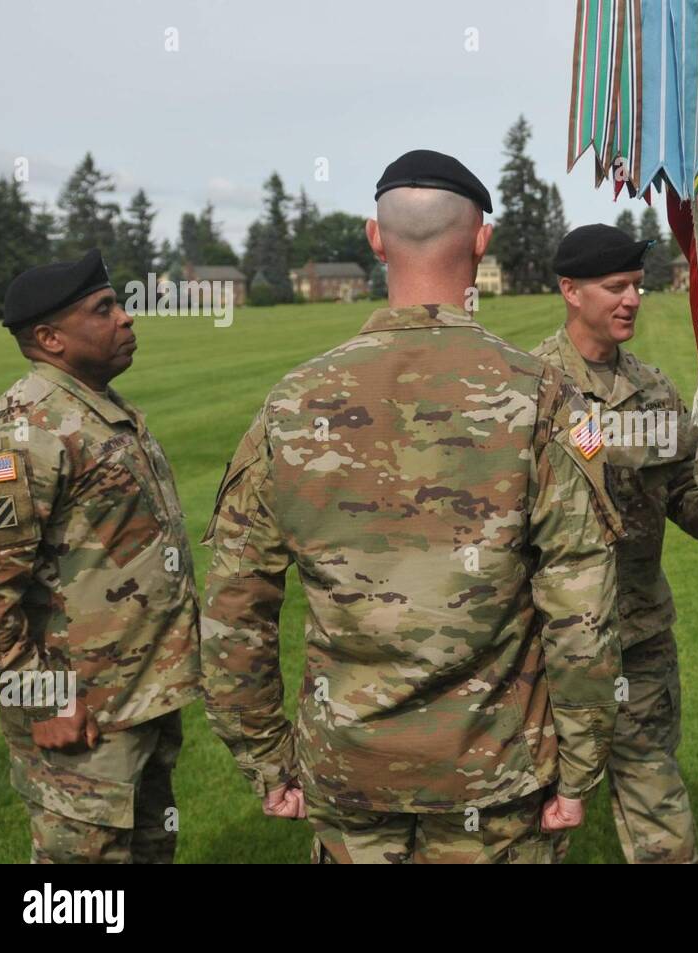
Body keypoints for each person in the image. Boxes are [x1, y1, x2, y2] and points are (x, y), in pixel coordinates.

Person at [200, 150, 623, 864]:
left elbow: (234, 604)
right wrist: (579, 769)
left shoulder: (293, 402)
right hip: (493, 777)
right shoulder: (545, 396)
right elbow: (581, 604)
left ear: (374, 238)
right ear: (481, 240)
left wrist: (266, 758)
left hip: (350, 771)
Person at [0, 250, 200, 863]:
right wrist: (37, 698)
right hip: (78, 715)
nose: (126, 319)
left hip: (133, 698)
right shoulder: (26, 430)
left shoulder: (97, 408)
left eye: (120, 305)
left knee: (147, 853)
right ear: (49, 338)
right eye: (103, 310)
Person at [532, 224, 698, 863]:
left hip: (638, 633)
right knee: (534, 805)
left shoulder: (654, 388)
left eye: (637, 287)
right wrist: (676, 436)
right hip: (549, 641)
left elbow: (686, 495)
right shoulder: (532, 387)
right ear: (570, 290)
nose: (631, 300)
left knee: (654, 787)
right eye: (615, 286)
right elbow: (589, 448)